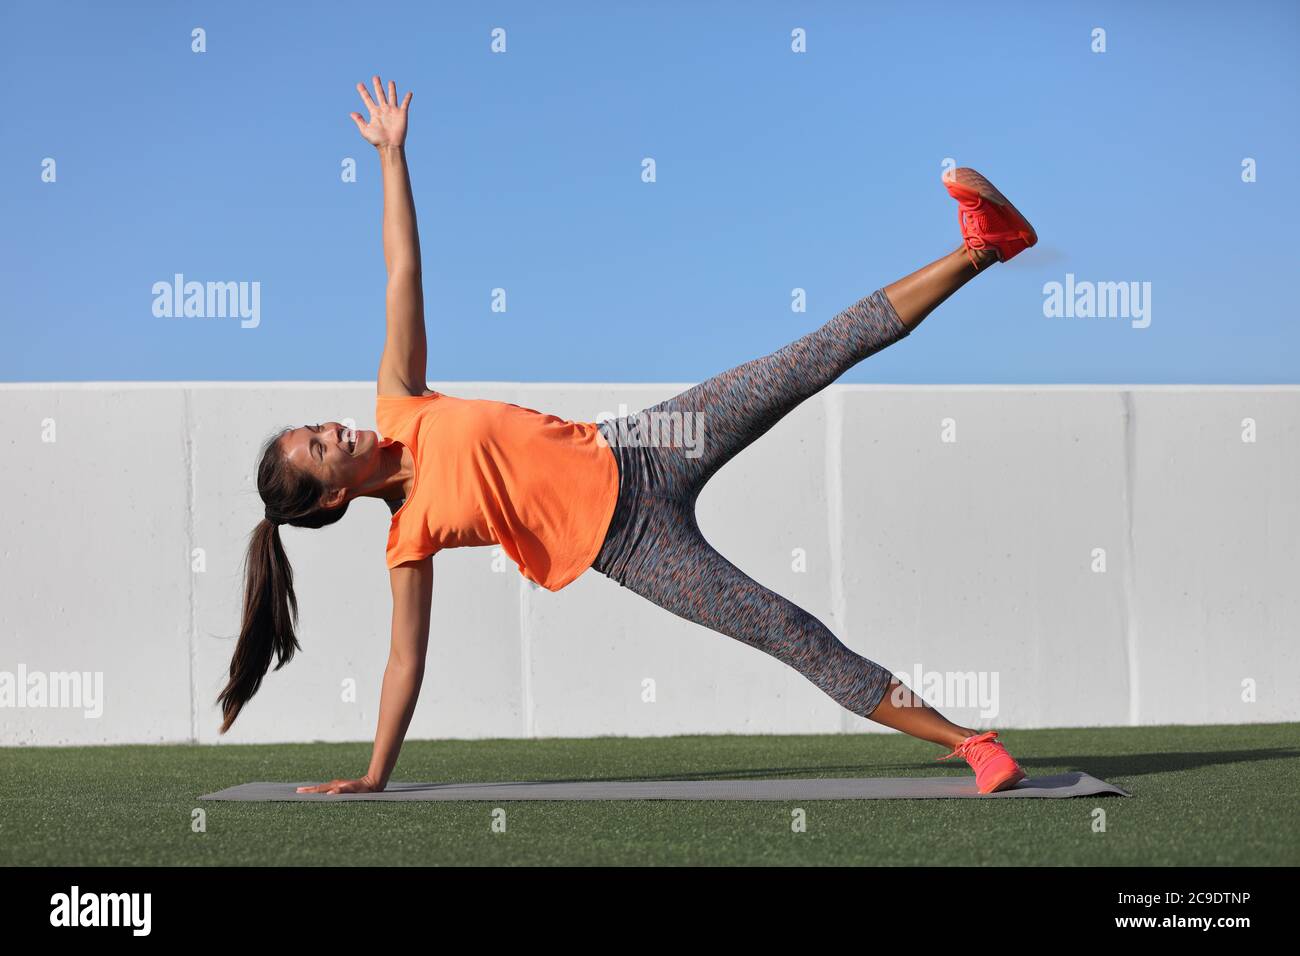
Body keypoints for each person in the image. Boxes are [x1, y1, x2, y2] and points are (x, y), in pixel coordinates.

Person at [217, 75, 1037, 796]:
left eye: (317, 425)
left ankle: (984, 247)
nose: (333, 428)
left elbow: (403, 272)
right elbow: (405, 664)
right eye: (321, 445)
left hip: (647, 443)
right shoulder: (409, 537)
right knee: (788, 633)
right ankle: (972, 743)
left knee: (810, 356)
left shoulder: (399, 400)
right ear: (332, 494)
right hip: (636, 546)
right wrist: (374, 774)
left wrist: (391, 158)